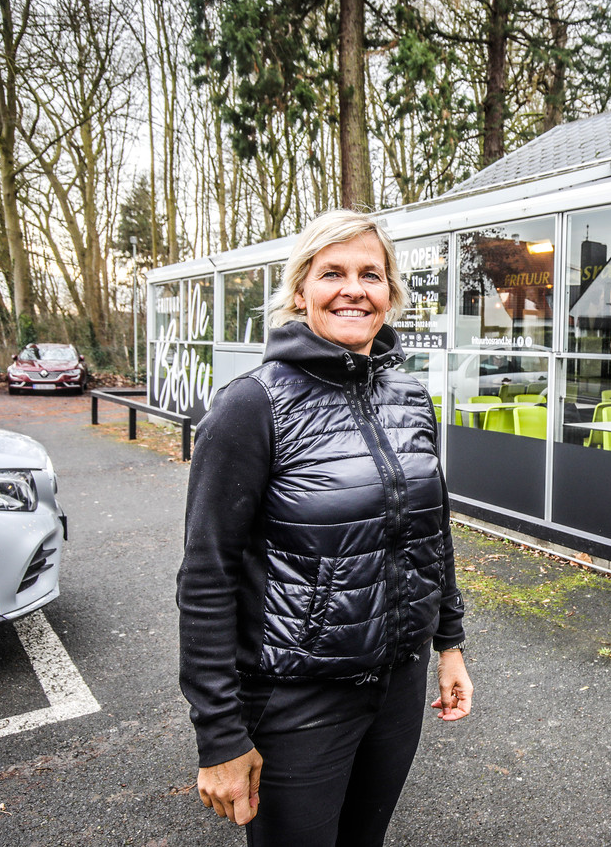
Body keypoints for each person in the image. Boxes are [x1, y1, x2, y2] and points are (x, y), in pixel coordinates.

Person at [177, 209, 472, 847]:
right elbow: (207, 576)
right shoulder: (250, 406)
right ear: (300, 290)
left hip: (397, 684)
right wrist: (220, 734)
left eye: (372, 274)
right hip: (297, 697)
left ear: (390, 295)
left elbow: (429, 534)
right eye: (332, 272)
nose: (353, 289)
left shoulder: (409, 396)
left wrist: (448, 643)